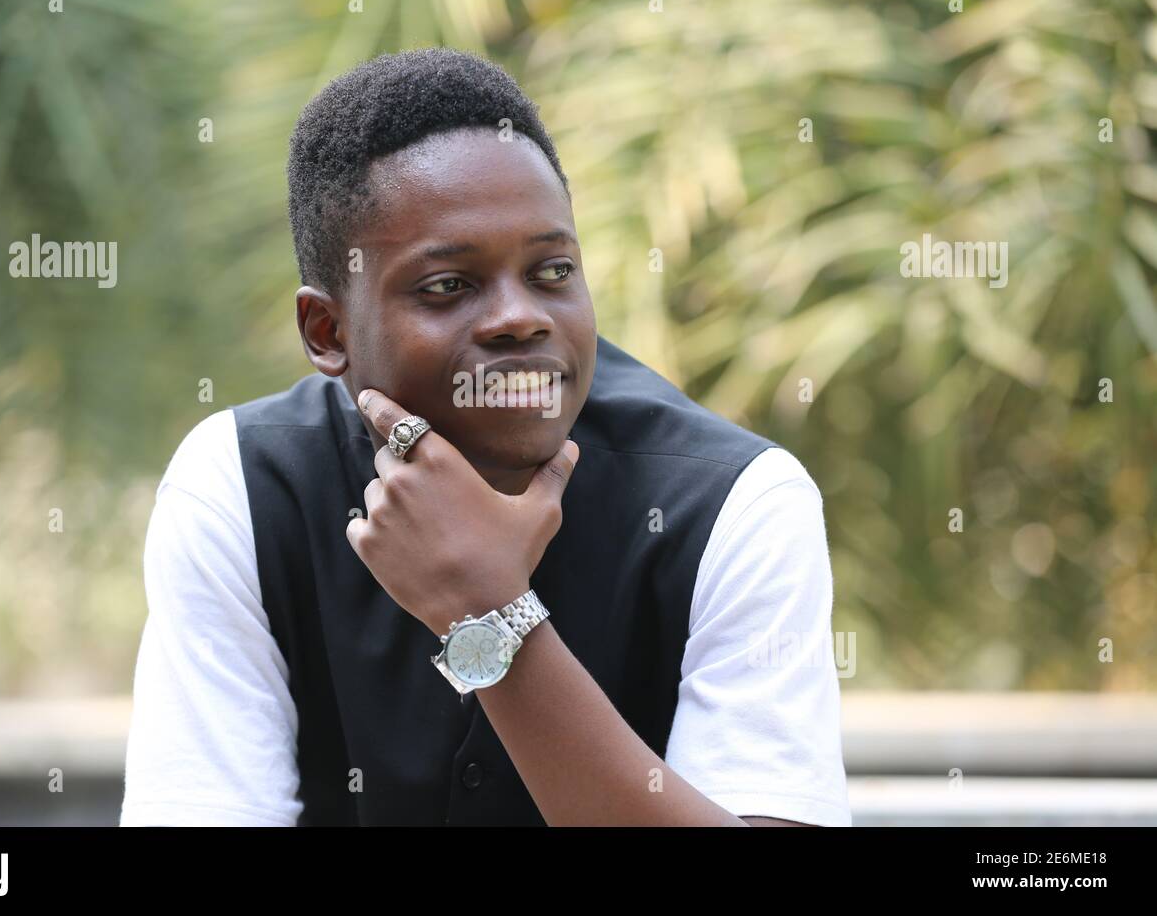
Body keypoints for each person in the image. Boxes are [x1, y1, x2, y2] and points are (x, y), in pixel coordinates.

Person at [120, 47, 851, 826]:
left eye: (552, 271)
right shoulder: (240, 488)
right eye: (448, 286)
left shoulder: (738, 505)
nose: (520, 317)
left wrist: (489, 618)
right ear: (327, 329)